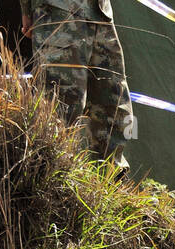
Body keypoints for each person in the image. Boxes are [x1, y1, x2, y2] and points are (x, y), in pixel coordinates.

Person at [22, 0, 133, 169]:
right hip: (59, 9)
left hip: (100, 14)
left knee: (115, 106)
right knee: (61, 107)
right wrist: (26, 10)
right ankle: (51, 182)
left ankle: (110, 181)